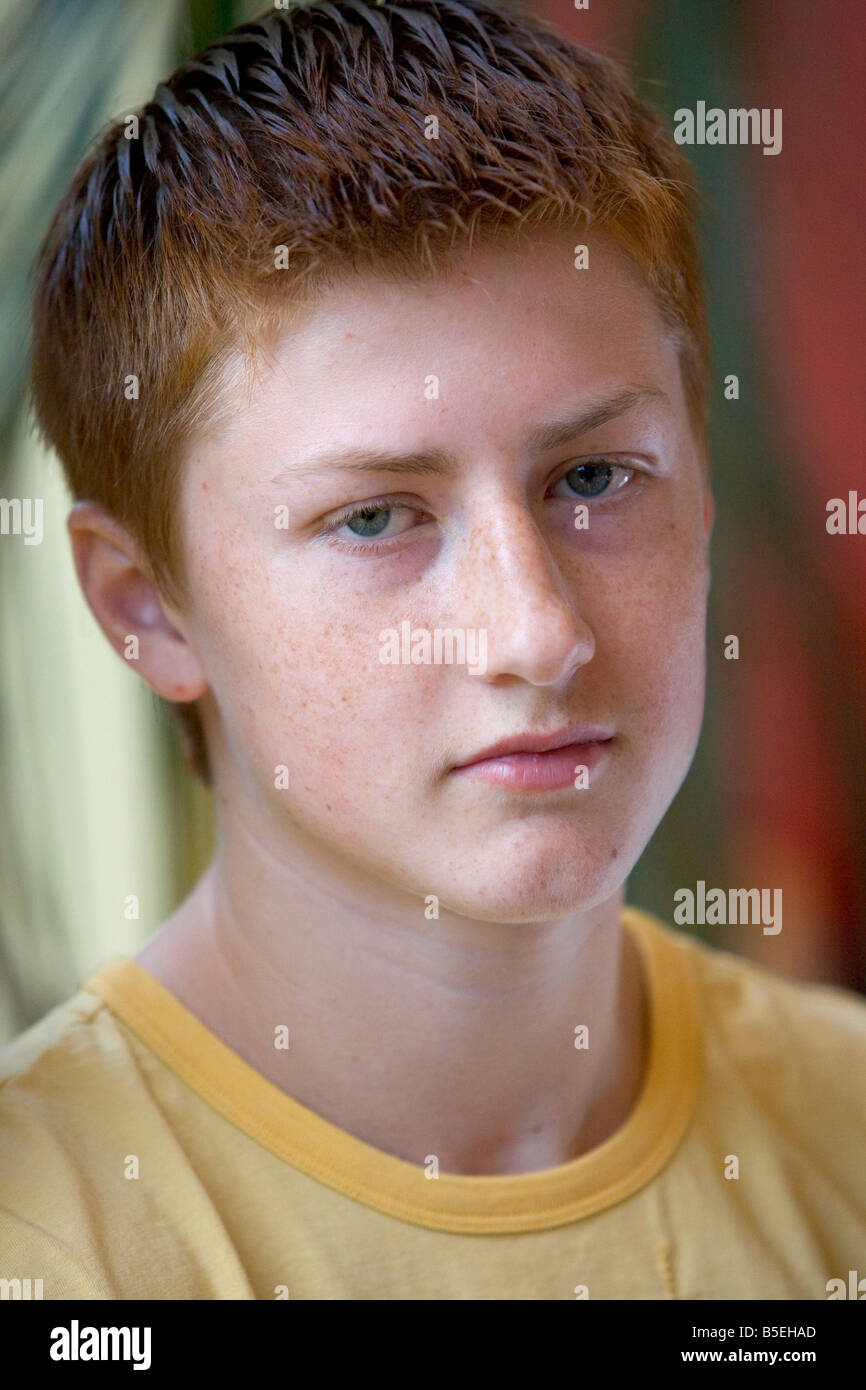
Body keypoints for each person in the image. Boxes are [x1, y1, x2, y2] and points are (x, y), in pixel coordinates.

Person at [1, 0, 863, 1301]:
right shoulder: (51, 1242)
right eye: (372, 517)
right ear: (146, 607)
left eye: (590, 476)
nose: (538, 630)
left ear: (701, 489)